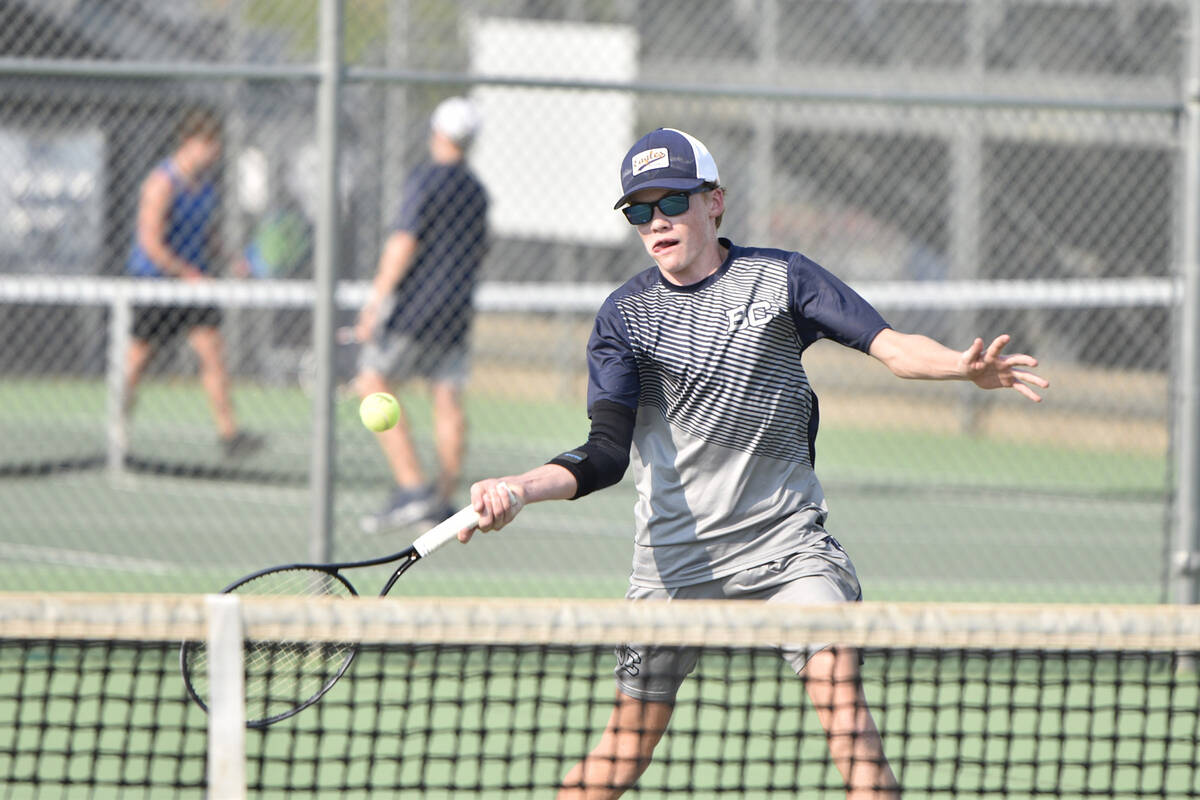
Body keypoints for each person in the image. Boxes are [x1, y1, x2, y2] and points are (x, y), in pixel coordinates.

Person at [459, 128, 1050, 798]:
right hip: (674, 563)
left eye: (671, 203)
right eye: (638, 211)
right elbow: (603, 454)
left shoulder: (783, 279)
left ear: (714, 202)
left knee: (846, 713)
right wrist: (518, 488)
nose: (656, 223)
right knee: (622, 753)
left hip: (787, 548)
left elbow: (889, 346)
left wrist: (960, 368)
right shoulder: (626, 317)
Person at [356, 97, 490, 532]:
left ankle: (413, 489)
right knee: (446, 396)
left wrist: (376, 302)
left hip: (416, 308)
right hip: (456, 309)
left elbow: (403, 242)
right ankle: (445, 499)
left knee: (371, 380)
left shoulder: (426, 180)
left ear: (437, 132)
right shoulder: (477, 191)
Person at [124, 108, 264, 459]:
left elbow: (205, 234)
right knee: (136, 362)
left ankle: (230, 435)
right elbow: (150, 243)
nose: (214, 153)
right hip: (154, 284)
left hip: (194, 286)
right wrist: (188, 275)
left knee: (213, 353)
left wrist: (232, 258)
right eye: (208, 144)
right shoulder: (161, 183)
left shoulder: (205, 187)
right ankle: (118, 434)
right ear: (189, 142)